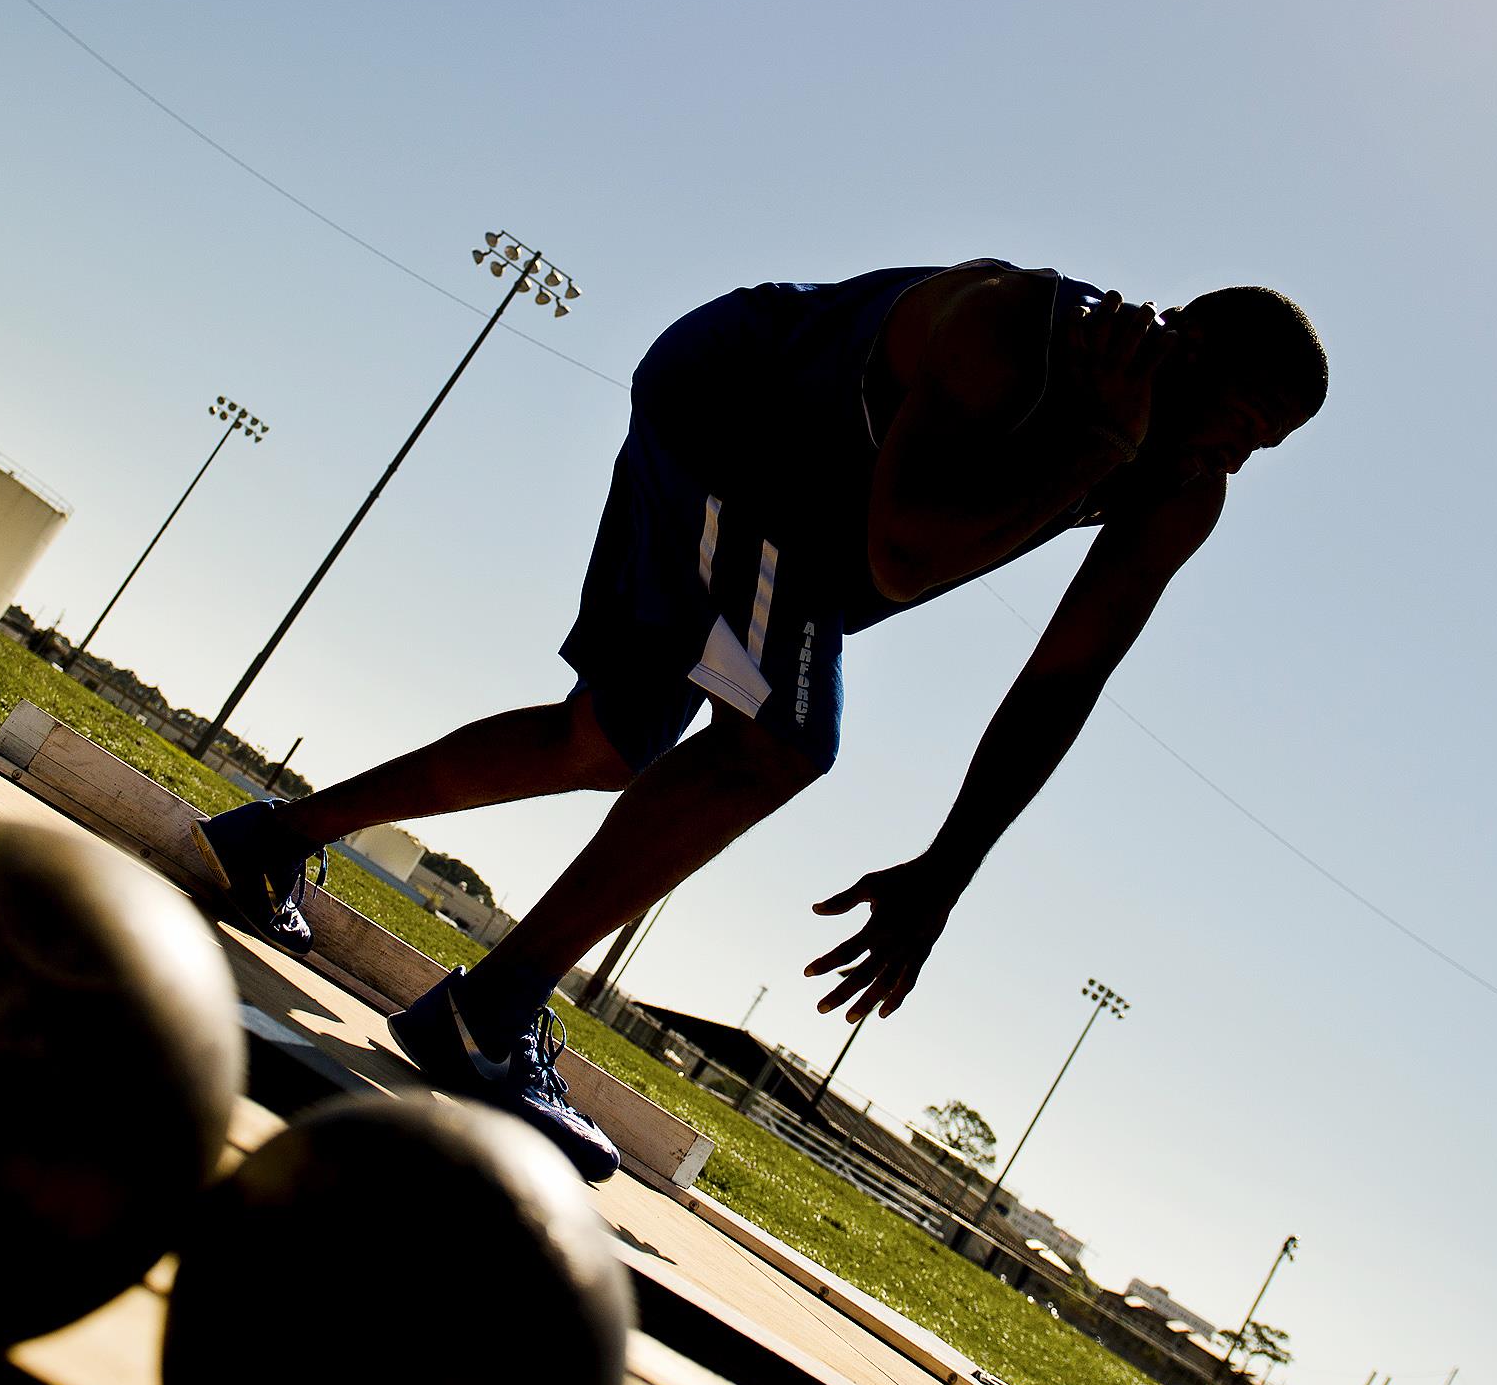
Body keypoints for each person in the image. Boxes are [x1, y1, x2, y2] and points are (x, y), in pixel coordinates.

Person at [197, 261, 1325, 1178]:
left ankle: (269, 839)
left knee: (603, 739)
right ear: (1177, 342)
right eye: (1231, 418)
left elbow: (1061, 680)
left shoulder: (1181, 490)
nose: (1229, 455)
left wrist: (947, 867)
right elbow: (906, 552)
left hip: (807, 527)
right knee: (777, 744)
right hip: (738, 420)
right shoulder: (1016, 328)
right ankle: (489, 1009)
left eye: (1258, 447)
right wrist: (1102, 443)